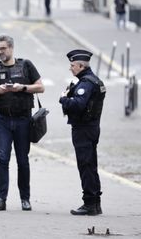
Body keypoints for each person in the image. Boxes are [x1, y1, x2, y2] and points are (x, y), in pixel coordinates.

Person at [0, 34, 45, 211]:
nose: (0, 52)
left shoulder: (25, 65)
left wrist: (23, 88)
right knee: (2, 159)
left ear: (11, 48)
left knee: (22, 160)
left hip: (23, 120)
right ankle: (0, 199)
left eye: (3, 48)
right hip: (3, 120)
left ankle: (25, 199)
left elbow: (41, 87)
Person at [59, 49, 106, 216]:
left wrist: (64, 98)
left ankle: (89, 204)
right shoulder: (93, 81)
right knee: (91, 165)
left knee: (85, 165)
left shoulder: (86, 83)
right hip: (92, 128)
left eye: (72, 65)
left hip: (84, 129)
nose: (70, 68)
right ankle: (95, 203)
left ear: (80, 65)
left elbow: (78, 104)